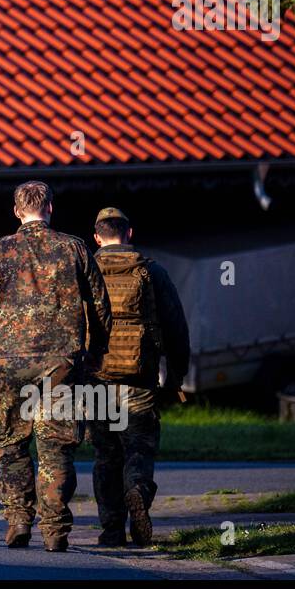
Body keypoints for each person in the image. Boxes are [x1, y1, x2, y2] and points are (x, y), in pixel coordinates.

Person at [0, 181, 110, 552]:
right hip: (60, 364)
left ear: (17, 211)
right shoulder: (74, 248)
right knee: (56, 446)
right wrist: (96, 353)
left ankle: (17, 520)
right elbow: (100, 307)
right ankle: (55, 529)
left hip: (9, 364)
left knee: (10, 444)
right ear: (50, 208)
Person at [85, 207, 190, 548]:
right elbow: (176, 326)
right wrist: (177, 372)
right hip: (139, 376)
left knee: (106, 454)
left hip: (96, 377)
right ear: (129, 234)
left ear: (97, 237)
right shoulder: (151, 271)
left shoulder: (85, 270)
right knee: (140, 445)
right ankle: (138, 490)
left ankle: (112, 529)